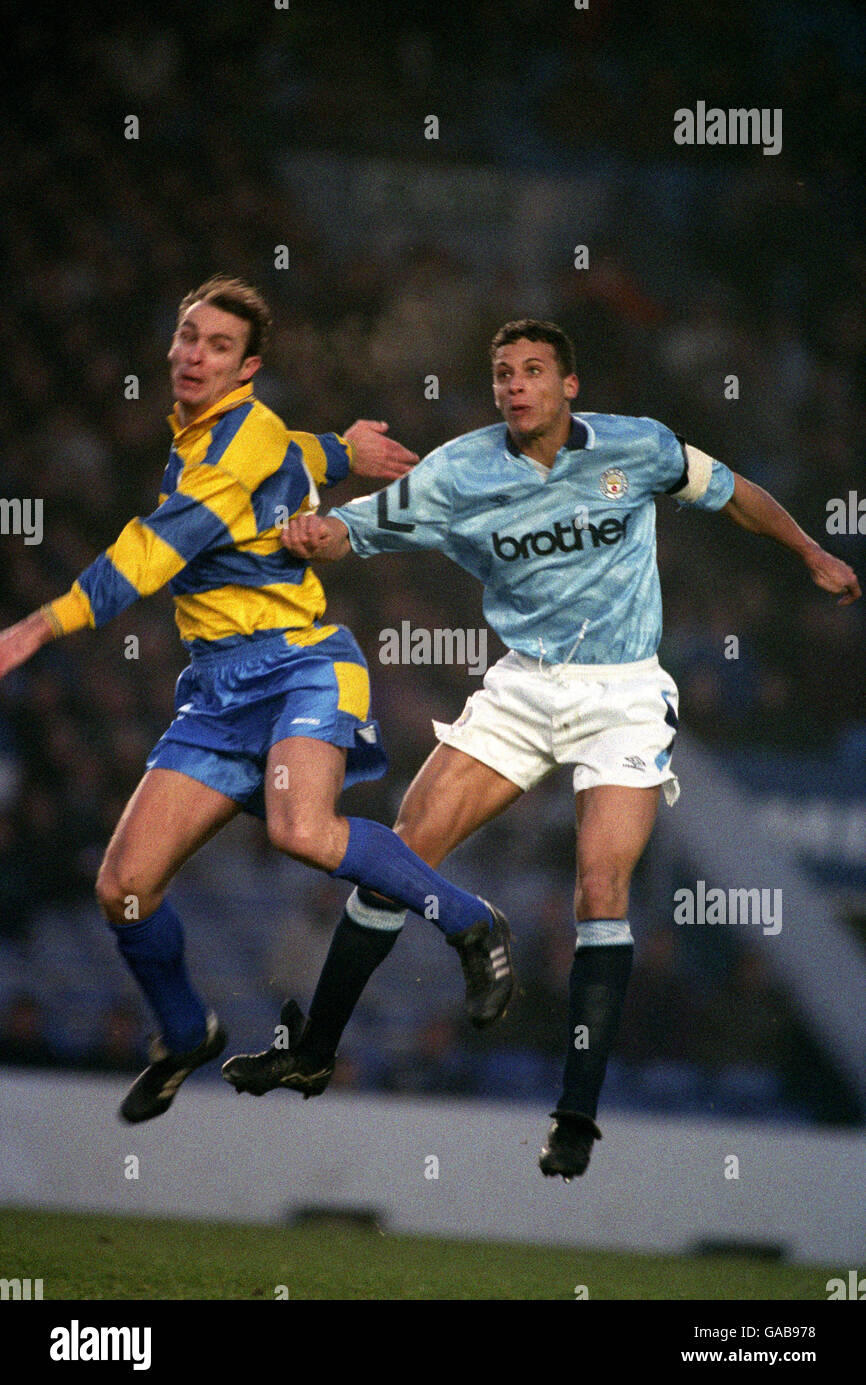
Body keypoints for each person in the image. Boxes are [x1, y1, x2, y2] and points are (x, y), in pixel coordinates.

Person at [227, 317, 860, 1181]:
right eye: (502, 373)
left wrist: (808, 548)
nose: (515, 384)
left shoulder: (638, 448)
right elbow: (355, 531)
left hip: (625, 692)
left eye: (532, 370)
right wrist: (313, 535)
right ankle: (313, 1052)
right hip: (524, 686)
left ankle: (575, 1117)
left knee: (600, 888)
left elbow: (735, 488)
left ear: (569, 386)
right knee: (400, 851)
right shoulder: (459, 469)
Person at [0, 277, 514, 1124]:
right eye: (188, 337)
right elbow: (297, 453)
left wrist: (34, 630)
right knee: (123, 889)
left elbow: (152, 552)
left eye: (218, 346)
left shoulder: (228, 450)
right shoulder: (223, 434)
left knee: (300, 829)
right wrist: (343, 450)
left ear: (248, 369)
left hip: (302, 666)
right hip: (215, 691)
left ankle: (471, 922)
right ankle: (184, 1033)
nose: (195, 354)